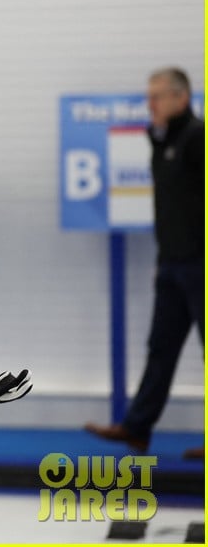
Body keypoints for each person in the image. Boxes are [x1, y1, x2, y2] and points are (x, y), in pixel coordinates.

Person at [85, 67, 204, 458]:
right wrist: (164, 256)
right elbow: (171, 208)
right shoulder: (162, 140)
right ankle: (136, 428)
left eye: (157, 96)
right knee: (160, 348)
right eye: (148, 96)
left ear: (181, 97)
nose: (149, 103)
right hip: (171, 263)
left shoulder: (197, 138)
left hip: (199, 264)